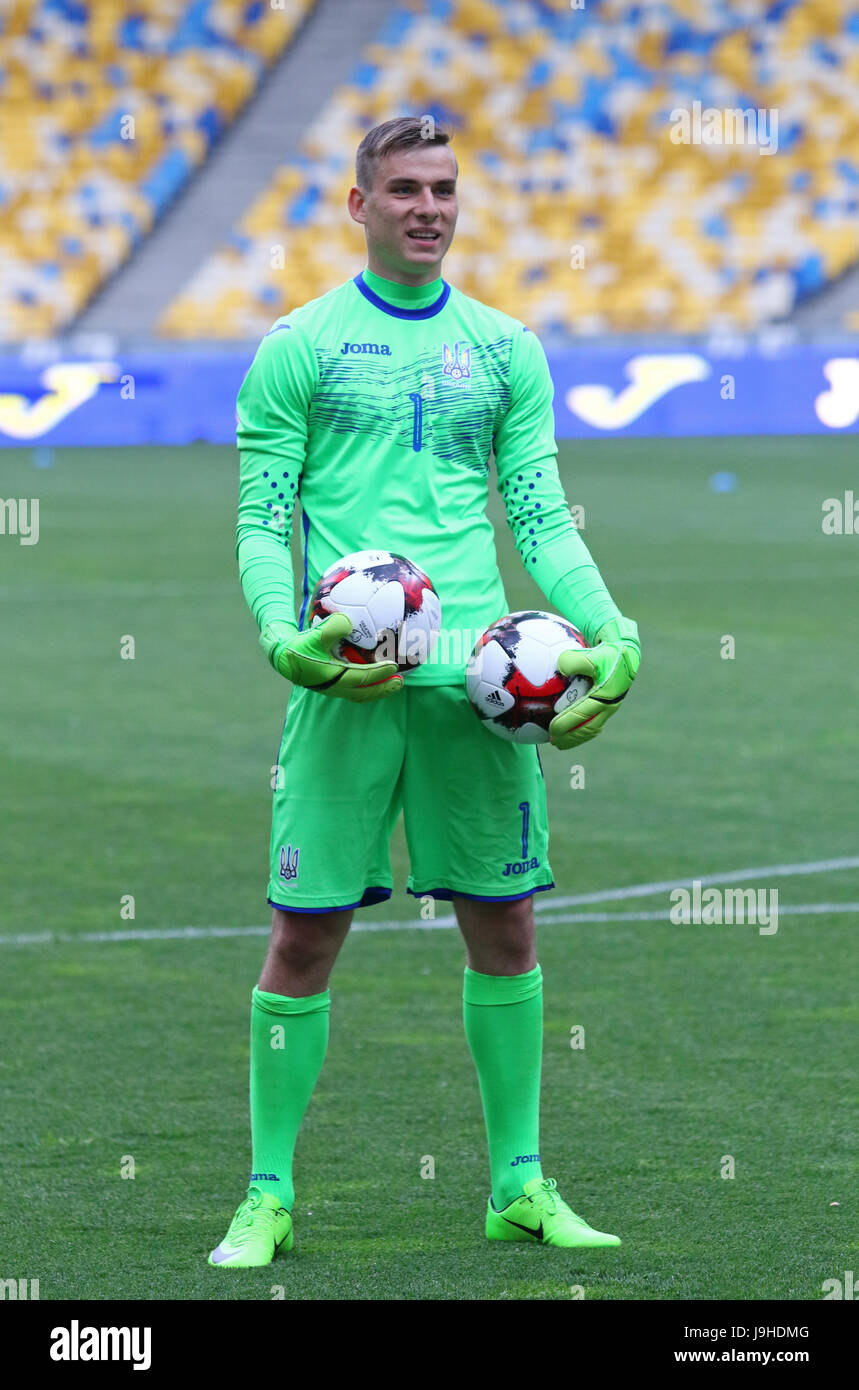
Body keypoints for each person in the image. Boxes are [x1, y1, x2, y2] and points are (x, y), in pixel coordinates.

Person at [209, 116, 640, 1268]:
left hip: (481, 684)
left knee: (503, 926)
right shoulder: (300, 342)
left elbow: (540, 515)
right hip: (345, 682)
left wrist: (609, 628)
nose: (427, 207)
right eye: (402, 188)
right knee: (303, 937)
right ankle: (267, 1193)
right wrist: (275, 632)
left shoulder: (506, 348)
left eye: (443, 188)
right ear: (358, 206)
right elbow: (261, 516)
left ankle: (517, 1184)